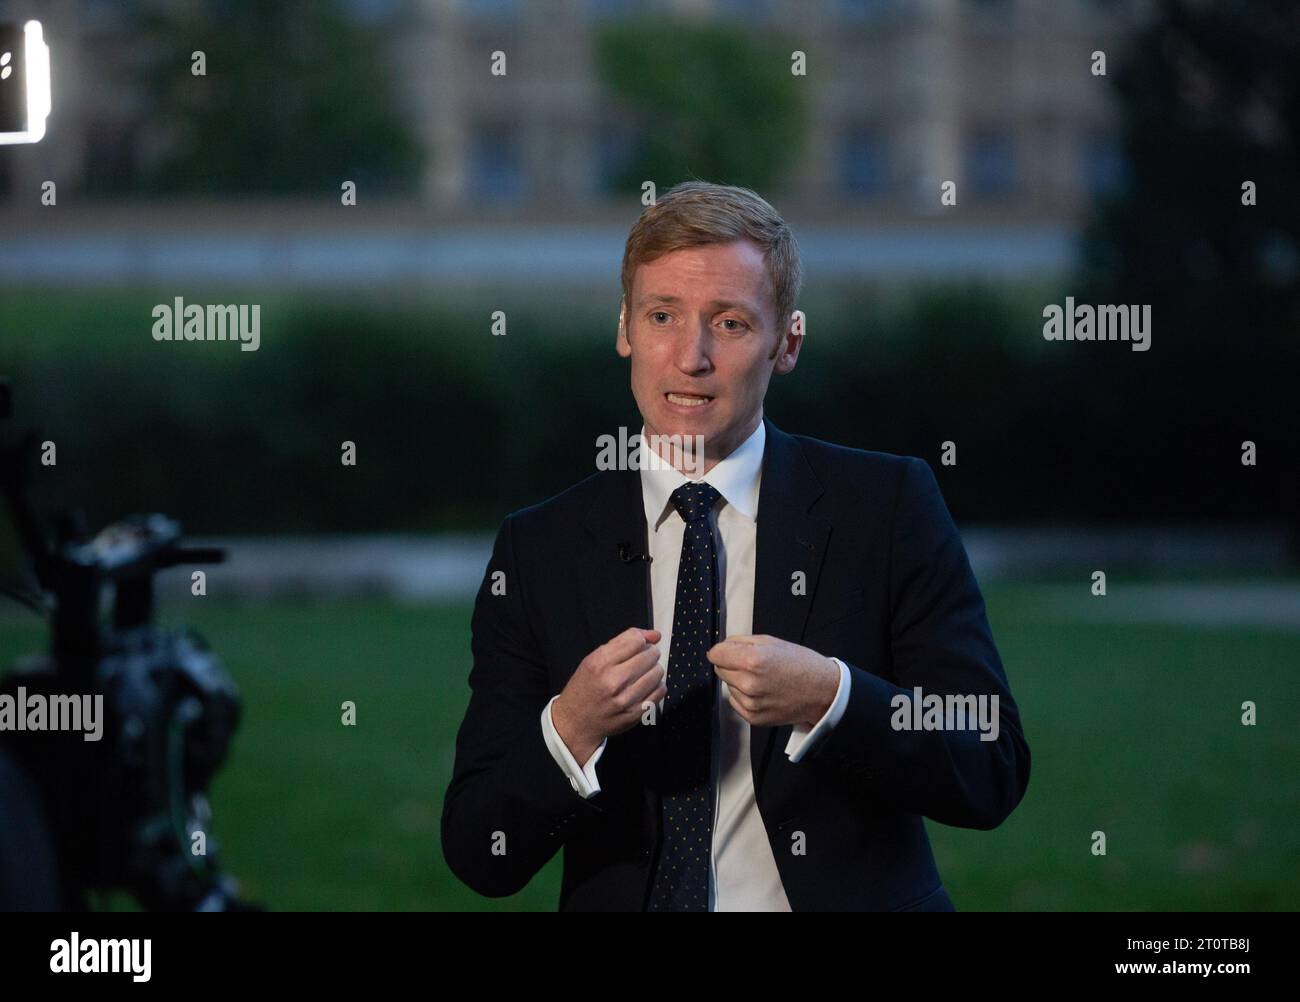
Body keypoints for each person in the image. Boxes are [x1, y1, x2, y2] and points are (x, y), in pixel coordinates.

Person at [441, 181, 1030, 911]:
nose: (691, 357)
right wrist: (572, 727)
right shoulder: (539, 549)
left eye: (728, 323)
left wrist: (833, 697)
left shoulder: (886, 508)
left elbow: (988, 760)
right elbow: (478, 850)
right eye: (663, 316)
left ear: (787, 343)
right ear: (624, 327)